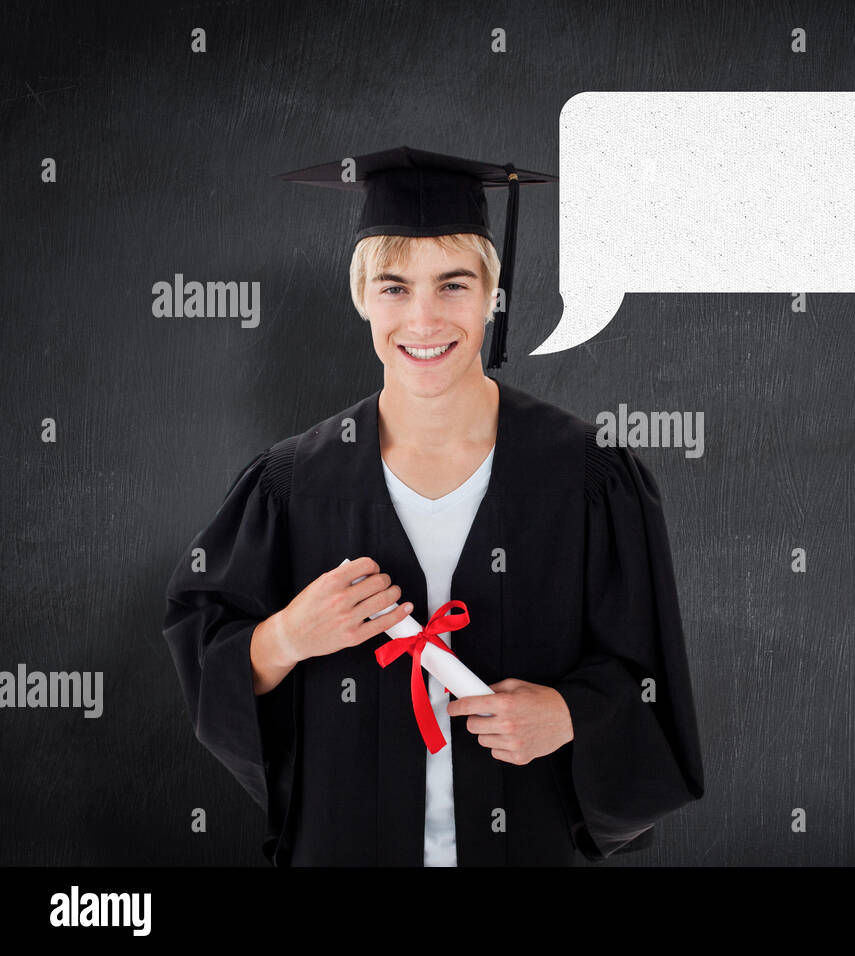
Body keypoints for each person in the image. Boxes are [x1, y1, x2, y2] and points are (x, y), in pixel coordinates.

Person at [162, 146, 705, 865]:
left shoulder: (588, 477)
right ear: (361, 297)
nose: (422, 318)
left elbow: (650, 677)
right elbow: (207, 655)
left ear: (492, 295)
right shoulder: (293, 484)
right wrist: (289, 634)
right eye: (393, 287)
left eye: (453, 285)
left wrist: (572, 714)